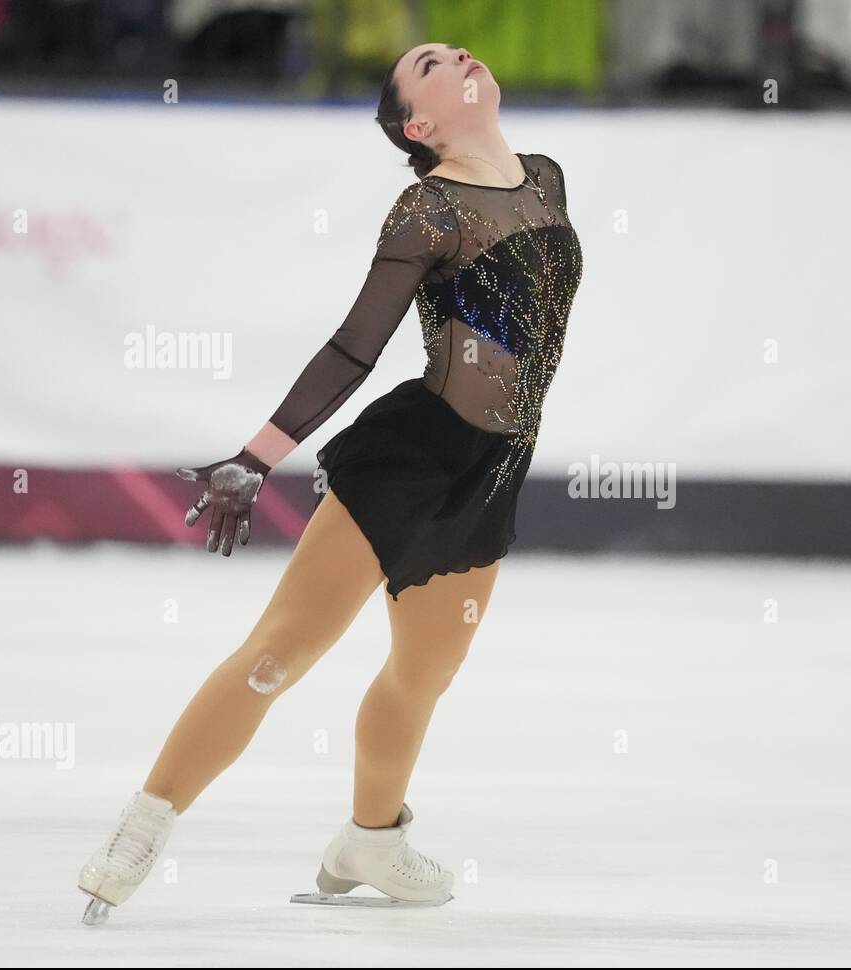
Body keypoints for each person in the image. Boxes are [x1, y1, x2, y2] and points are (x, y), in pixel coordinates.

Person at [77, 42, 584, 923]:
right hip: (415, 453)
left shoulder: (546, 178)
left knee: (426, 673)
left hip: (493, 469)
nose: (456, 53)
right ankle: (143, 822)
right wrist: (256, 454)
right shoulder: (427, 210)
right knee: (282, 651)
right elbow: (356, 344)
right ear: (418, 126)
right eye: (429, 62)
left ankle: (371, 839)